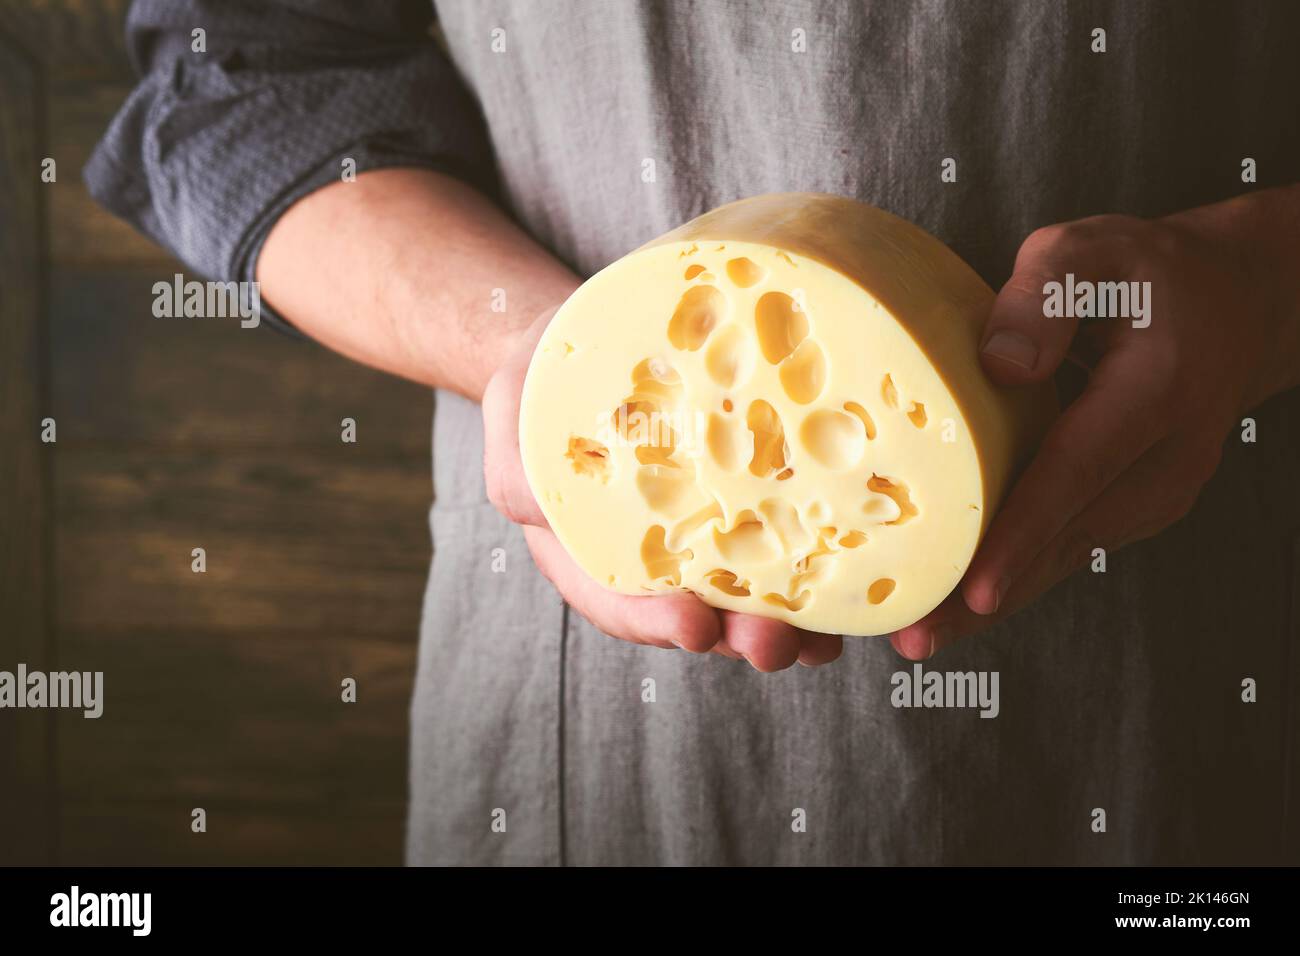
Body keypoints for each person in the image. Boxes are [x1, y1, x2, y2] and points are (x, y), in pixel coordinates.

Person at [88, 0, 1300, 865]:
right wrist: (533, 351)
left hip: (1206, 672)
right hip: (599, 707)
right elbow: (246, 79)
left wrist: (1262, 288)